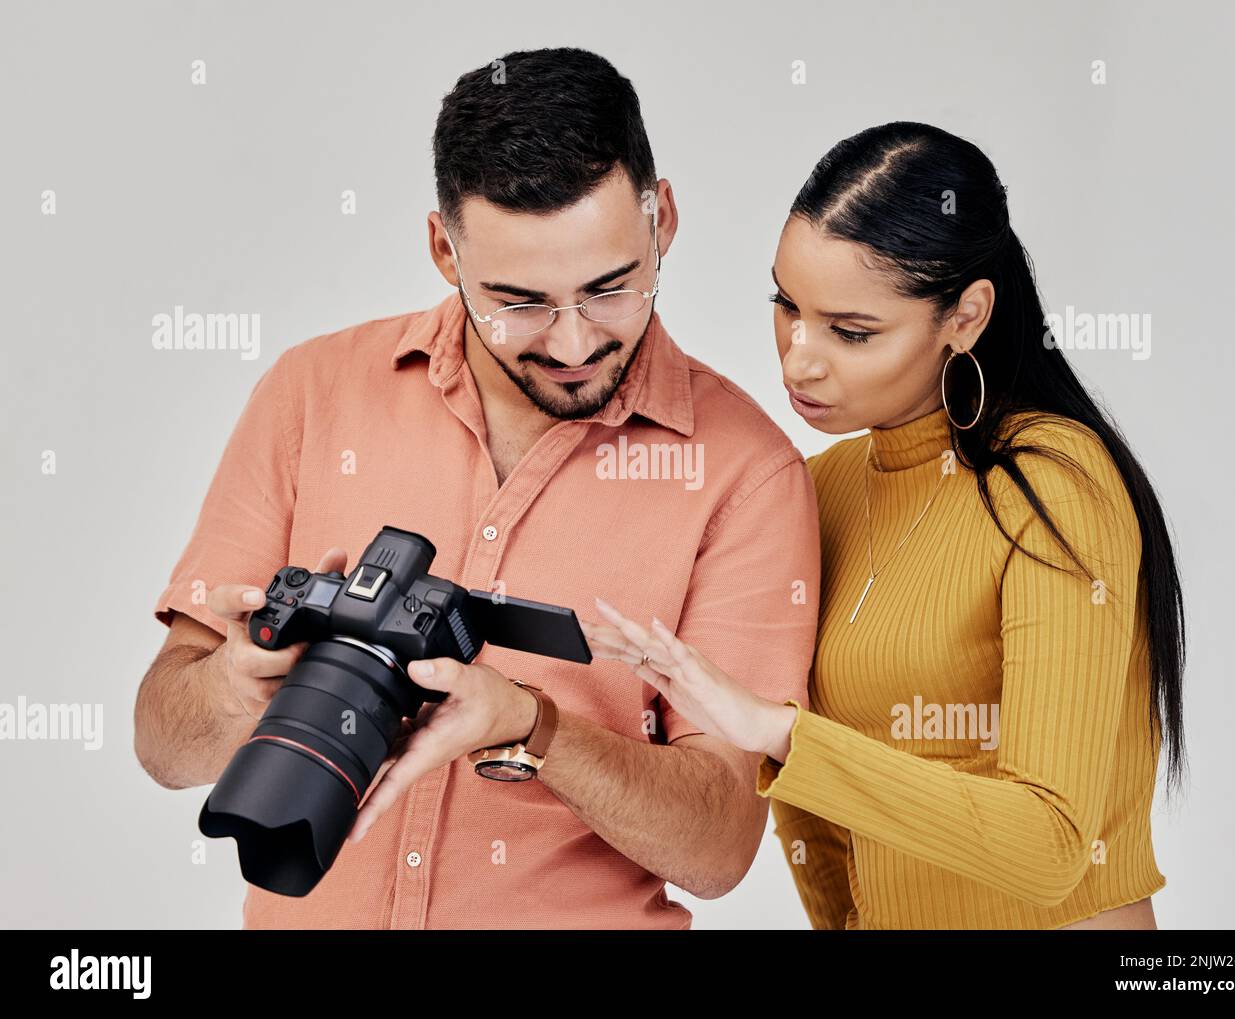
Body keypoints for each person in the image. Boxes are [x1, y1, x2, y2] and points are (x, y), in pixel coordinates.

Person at [133, 47, 821, 929]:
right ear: (441, 249)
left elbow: (722, 846)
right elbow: (163, 744)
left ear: (664, 220)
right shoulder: (313, 393)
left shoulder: (747, 474)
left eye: (610, 288)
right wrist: (236, 678)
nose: (573, 345)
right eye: (519, 302)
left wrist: (535, 727)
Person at [585, 121, 1187, 930]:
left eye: (852, 331)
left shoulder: (1052, 484)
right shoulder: (820, 489)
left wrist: (780, 733)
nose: (799, 357)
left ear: (966, 316)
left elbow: (1051, 844)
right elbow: (815, 819)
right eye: (786, 306)